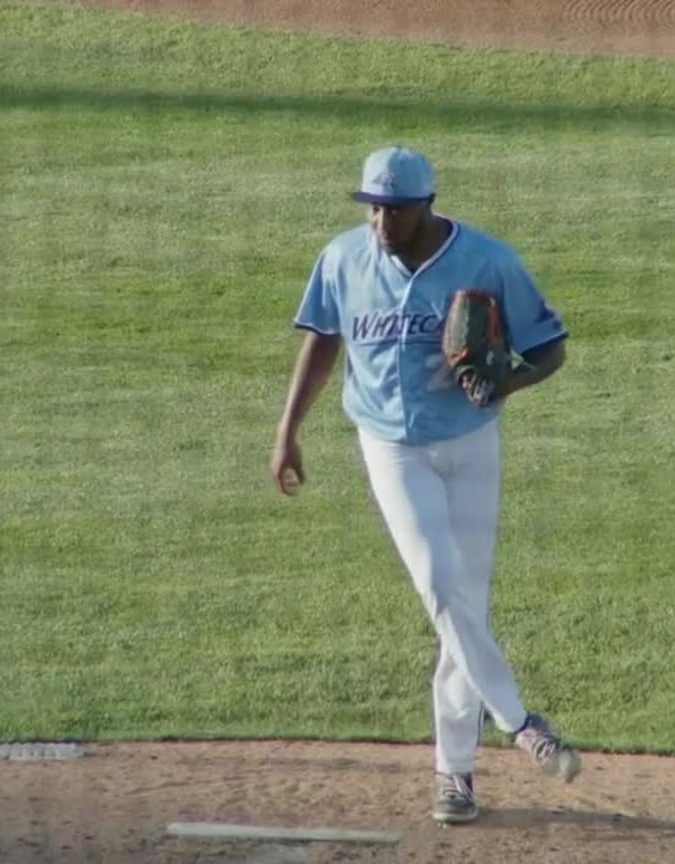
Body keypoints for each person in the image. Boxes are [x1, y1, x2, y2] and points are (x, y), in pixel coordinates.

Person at [270, 145, 580, 824]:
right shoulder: (343, 259)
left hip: (471, 444)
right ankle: (522, 722)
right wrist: (288, 428)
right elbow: (323, 339)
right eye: (371, 207)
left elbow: (551, 345)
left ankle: (455, 776)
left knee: (461, 608)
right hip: (390, 447)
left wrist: (508, 377)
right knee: (440, 586)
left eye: (393, 209)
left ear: (426, 206)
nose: (379, 220)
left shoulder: (486, 260)